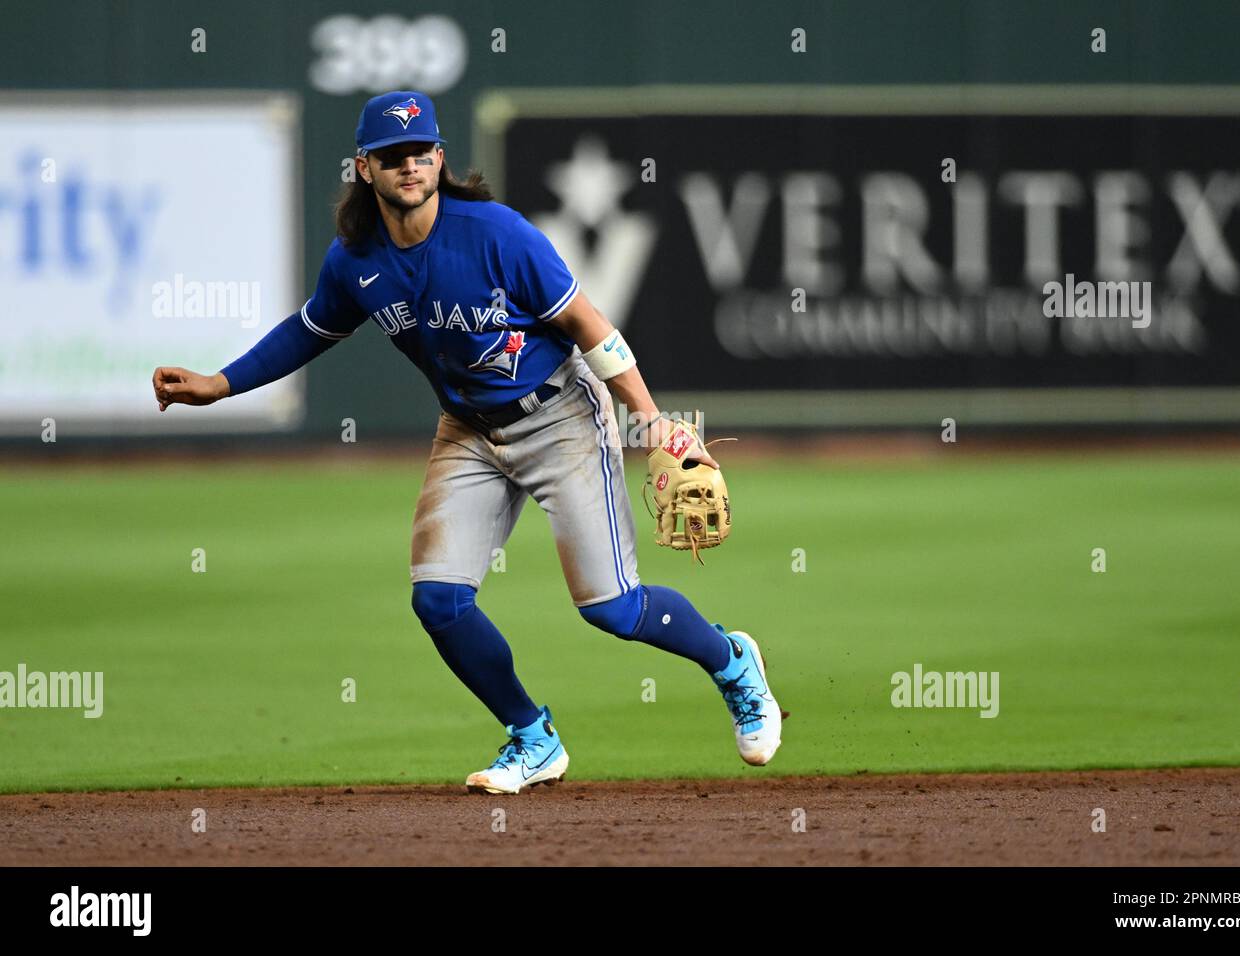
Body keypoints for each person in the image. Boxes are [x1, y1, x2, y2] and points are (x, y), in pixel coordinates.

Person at [151, 91, 782, 795]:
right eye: (392, 156)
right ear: (365, 168)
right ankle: (533, 737)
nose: (409, 165)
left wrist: (649, 416)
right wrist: (219, 383)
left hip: (560, 419)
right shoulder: (356, 261)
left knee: (612, 608)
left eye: (421, 151)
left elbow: (587, 322)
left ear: (440, 157)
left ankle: (732, 663)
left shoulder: (495, 233)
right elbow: (307, 331)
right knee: (439, 602)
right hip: (468, 433)